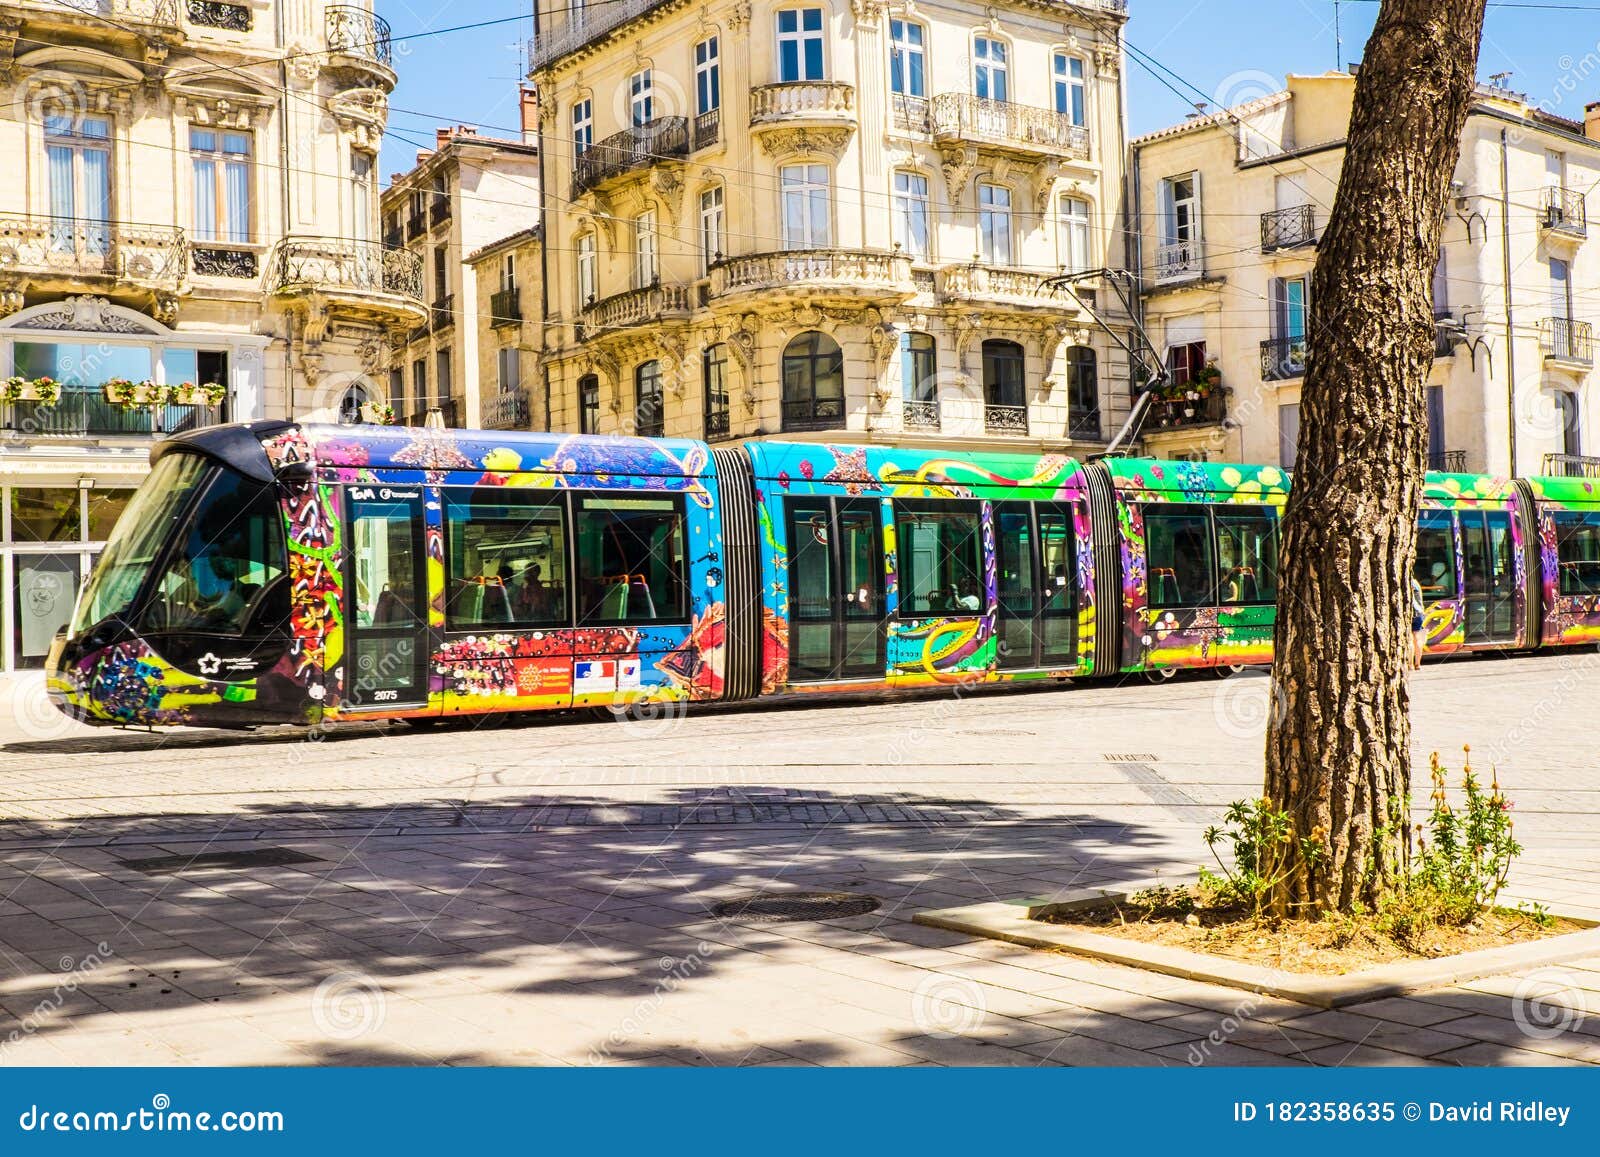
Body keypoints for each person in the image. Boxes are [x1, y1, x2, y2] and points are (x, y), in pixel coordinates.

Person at [1410, 573, 1427, 670]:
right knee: (1418, 639)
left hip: (1411, 613)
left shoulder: (1408, 583)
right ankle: (1418, 664)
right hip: (1420, 613)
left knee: (1410, 639)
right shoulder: (1416, 583)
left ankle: (1410, 664)